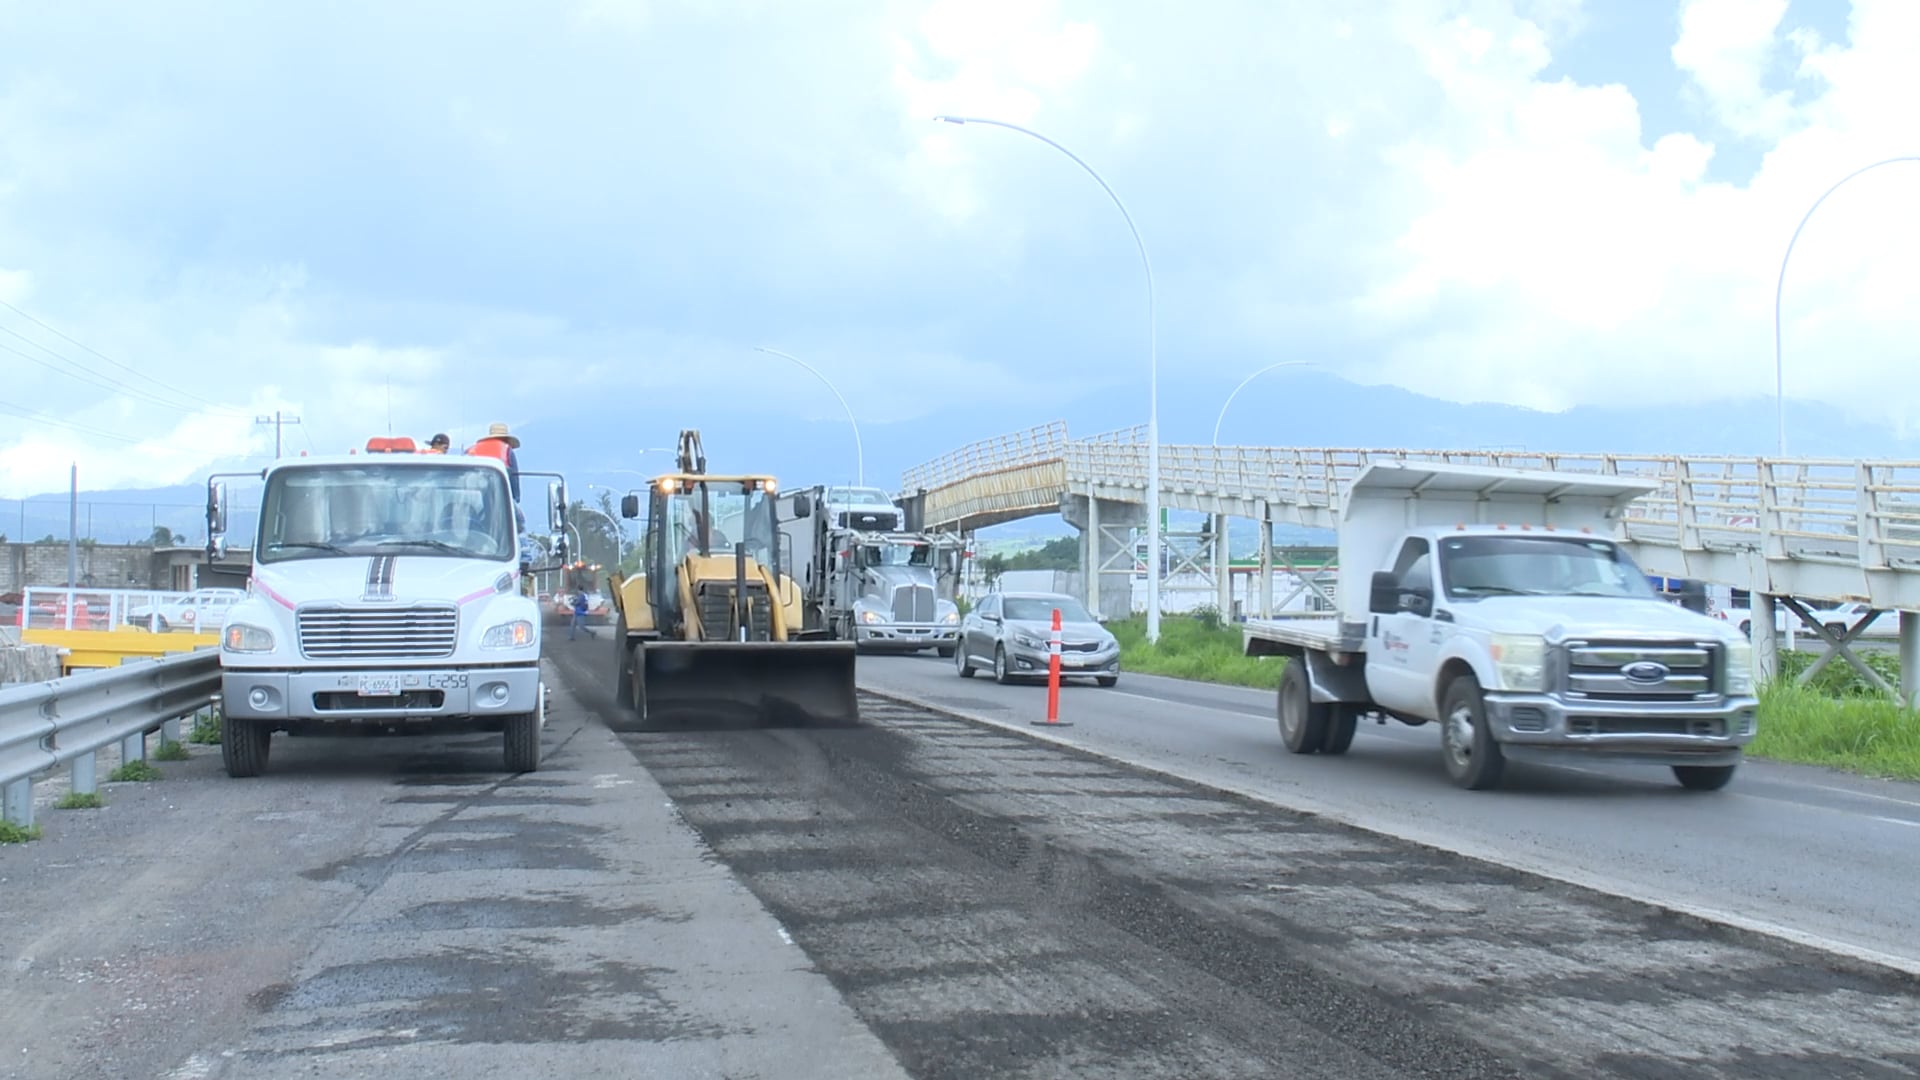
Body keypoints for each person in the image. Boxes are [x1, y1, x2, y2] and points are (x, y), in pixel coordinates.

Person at [466, 422, 522, 502]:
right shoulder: (507, 450)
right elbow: (514, 481)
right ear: (506, 440)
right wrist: (516, 499)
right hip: (497, 500)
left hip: (471, 498)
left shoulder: (470, 450)